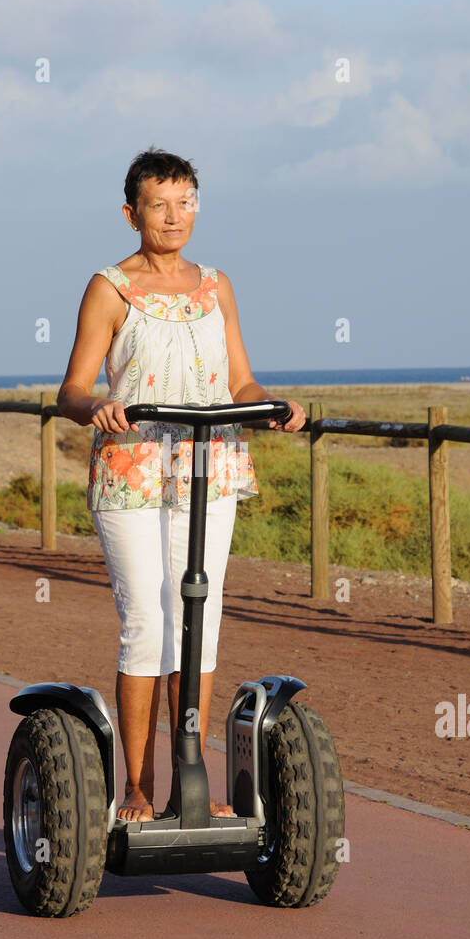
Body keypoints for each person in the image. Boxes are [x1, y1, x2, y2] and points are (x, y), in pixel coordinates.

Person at [58, 148, 305, 821]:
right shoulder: (111, 287)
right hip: (133, 470)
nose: (174, 217)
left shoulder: (215, 285)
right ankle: (135, 788)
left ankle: (188, 785)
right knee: (147, 625)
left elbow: (240, 381)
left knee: (198, 625)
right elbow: (73, 388)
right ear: (131, 212)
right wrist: (97, 408)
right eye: (159, 205)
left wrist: (274, 404)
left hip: (209, 467)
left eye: (185, 203)